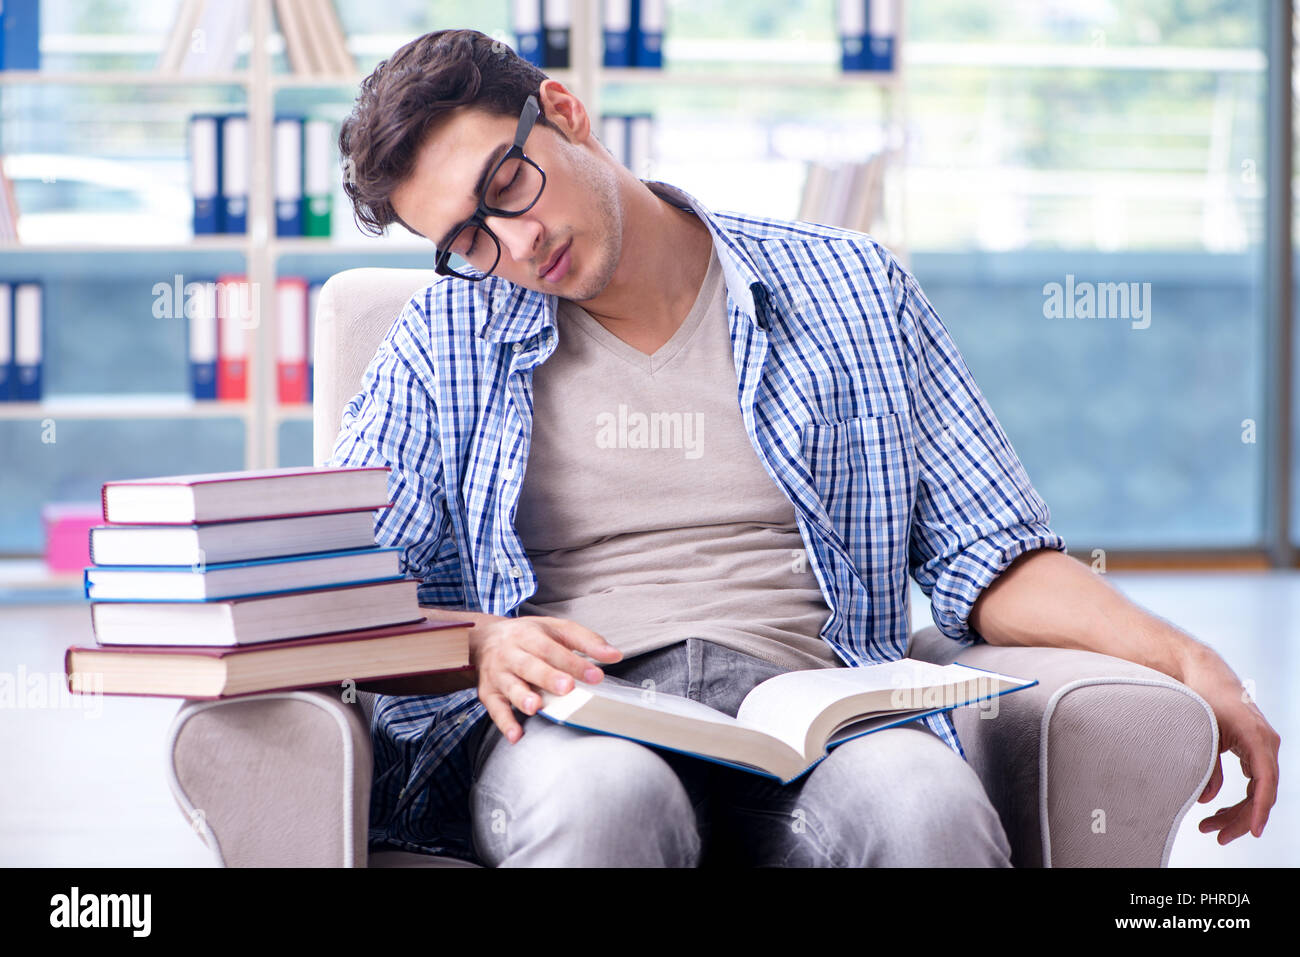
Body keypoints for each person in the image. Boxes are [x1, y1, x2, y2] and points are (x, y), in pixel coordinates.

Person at [329, 28, 1279, 867]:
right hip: (580, 721)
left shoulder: (849, 287)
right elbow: (342, 593)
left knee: (925, 805)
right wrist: (485, 638)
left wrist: (1187, 658)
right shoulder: (442, 342)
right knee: (605, 802)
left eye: (508, 185)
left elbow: (991, 554)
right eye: (469, 238)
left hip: (807, 706)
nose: (519, 243)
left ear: (567, 114)